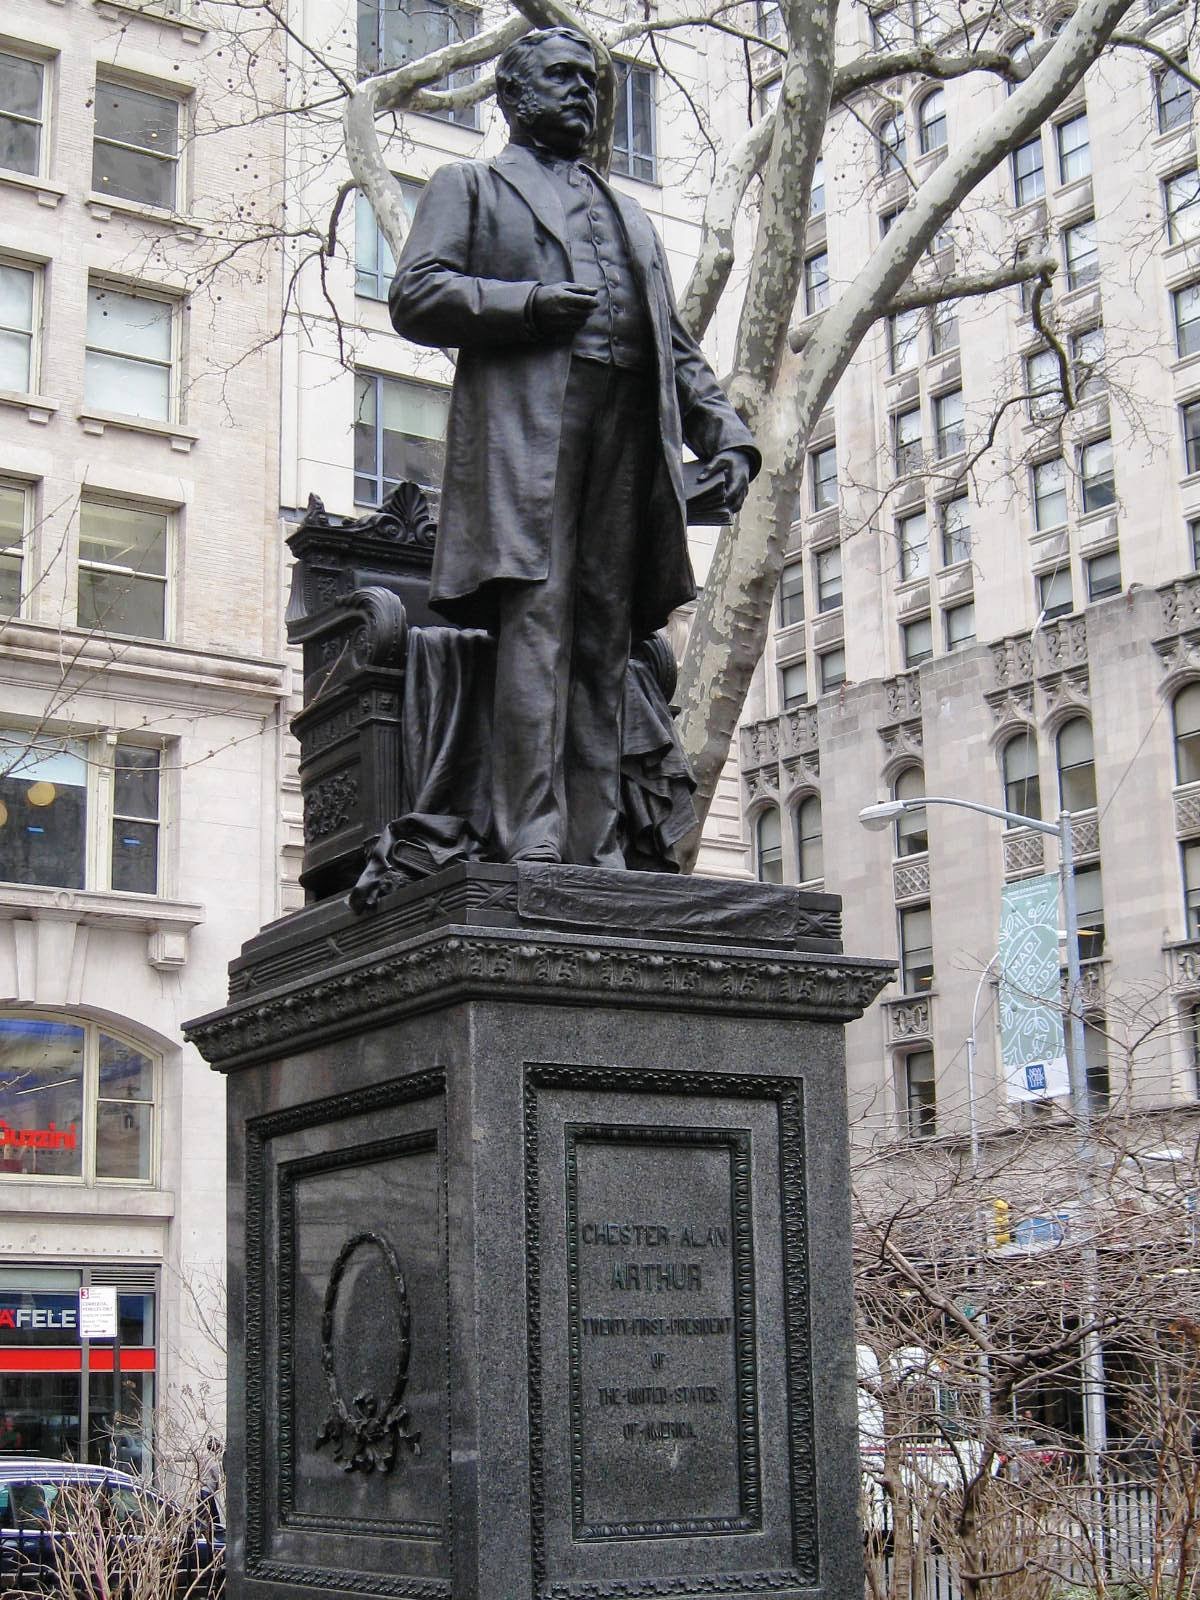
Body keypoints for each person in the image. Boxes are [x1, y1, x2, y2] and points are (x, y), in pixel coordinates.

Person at [388, 27, 760, 867]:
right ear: (512, 96)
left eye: (593, 83)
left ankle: (599, 844)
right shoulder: (472, 186)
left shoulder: (631, 216)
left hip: (628, 431)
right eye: (561, 78)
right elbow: (416, 293)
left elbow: (676, 344)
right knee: (539, 624)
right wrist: (522, 306)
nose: (584, 95)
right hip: (529, 438)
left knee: (606, 635)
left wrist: (725, 435)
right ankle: (536, 837)